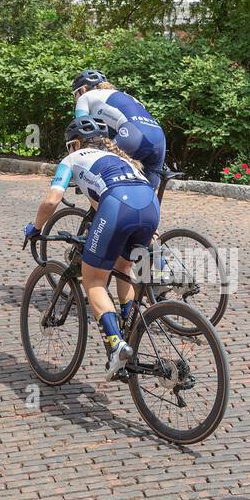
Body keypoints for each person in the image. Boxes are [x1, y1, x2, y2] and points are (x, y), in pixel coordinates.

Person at [26, 116, 160, 379]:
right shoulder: (122, 158)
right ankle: (127, 323)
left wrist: (36, 228)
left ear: (75, 144)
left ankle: (116, 345)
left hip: (118, 205)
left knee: (95, 280)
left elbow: (52, 199)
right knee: (124, 265)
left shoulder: (73, 159)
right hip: (149, 204)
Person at [71, 69, 167, 193]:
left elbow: (82, 130)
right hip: (159, 138)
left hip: (133, 133)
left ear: (82, 89)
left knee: (107, 178)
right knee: (148, 195)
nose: (75, 99)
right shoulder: (127, 96)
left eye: (75, 95)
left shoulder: (85, 97)